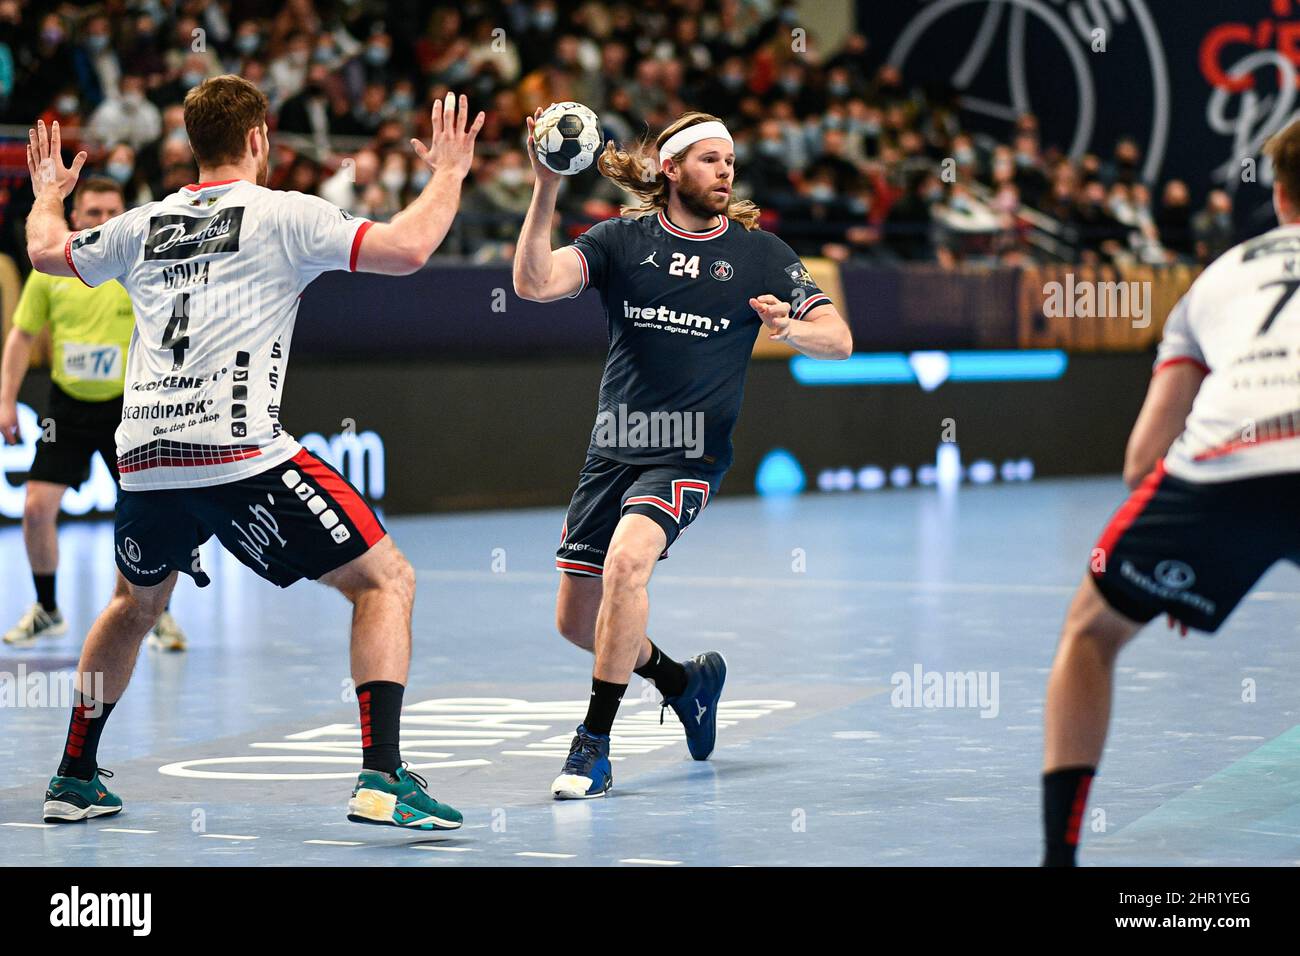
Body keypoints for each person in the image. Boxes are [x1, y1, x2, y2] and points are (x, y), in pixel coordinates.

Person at [24, 76, 483, 829]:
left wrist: (47, 191)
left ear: (191, 144)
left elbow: (44, 251)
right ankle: (383, 776)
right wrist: (449, 172)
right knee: (384, 579)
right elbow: (406, 250)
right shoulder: (284, 215)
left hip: (143, 454)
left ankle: (73, 775)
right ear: (260, 141)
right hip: (236, 453)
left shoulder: (142, 224)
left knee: (134, 605)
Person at [514, 110, 852, 799]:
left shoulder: (761, 254)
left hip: (689, 452)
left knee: (626, 565)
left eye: (730, 161)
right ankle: (684, 681)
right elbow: (533, 284)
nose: (725, 171)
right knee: (577, 622)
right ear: (670, 169)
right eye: (708, 159)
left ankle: (594, 747)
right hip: (614, 450)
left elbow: (840, 339)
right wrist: (546, 189)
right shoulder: (618, 240)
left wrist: (791, 329)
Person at [1041, 118, 1300, 866]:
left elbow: (1143, 458)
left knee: (1090, 633)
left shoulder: (1216, 277)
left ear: (1279, 197)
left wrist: (1185, 565)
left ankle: (1058, 860)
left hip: (1223, 473)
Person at [1, 176, 187, 652]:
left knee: (149, 515)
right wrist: (6, 400)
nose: (103, 222)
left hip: (129, 408)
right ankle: (47, 609)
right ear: (75, 218)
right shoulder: (50, 273)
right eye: (92, 213)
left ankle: (157, 614)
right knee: (37, 509)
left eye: (111, 213)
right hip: (67, 407)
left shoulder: (140, 270)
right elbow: (21, 336)